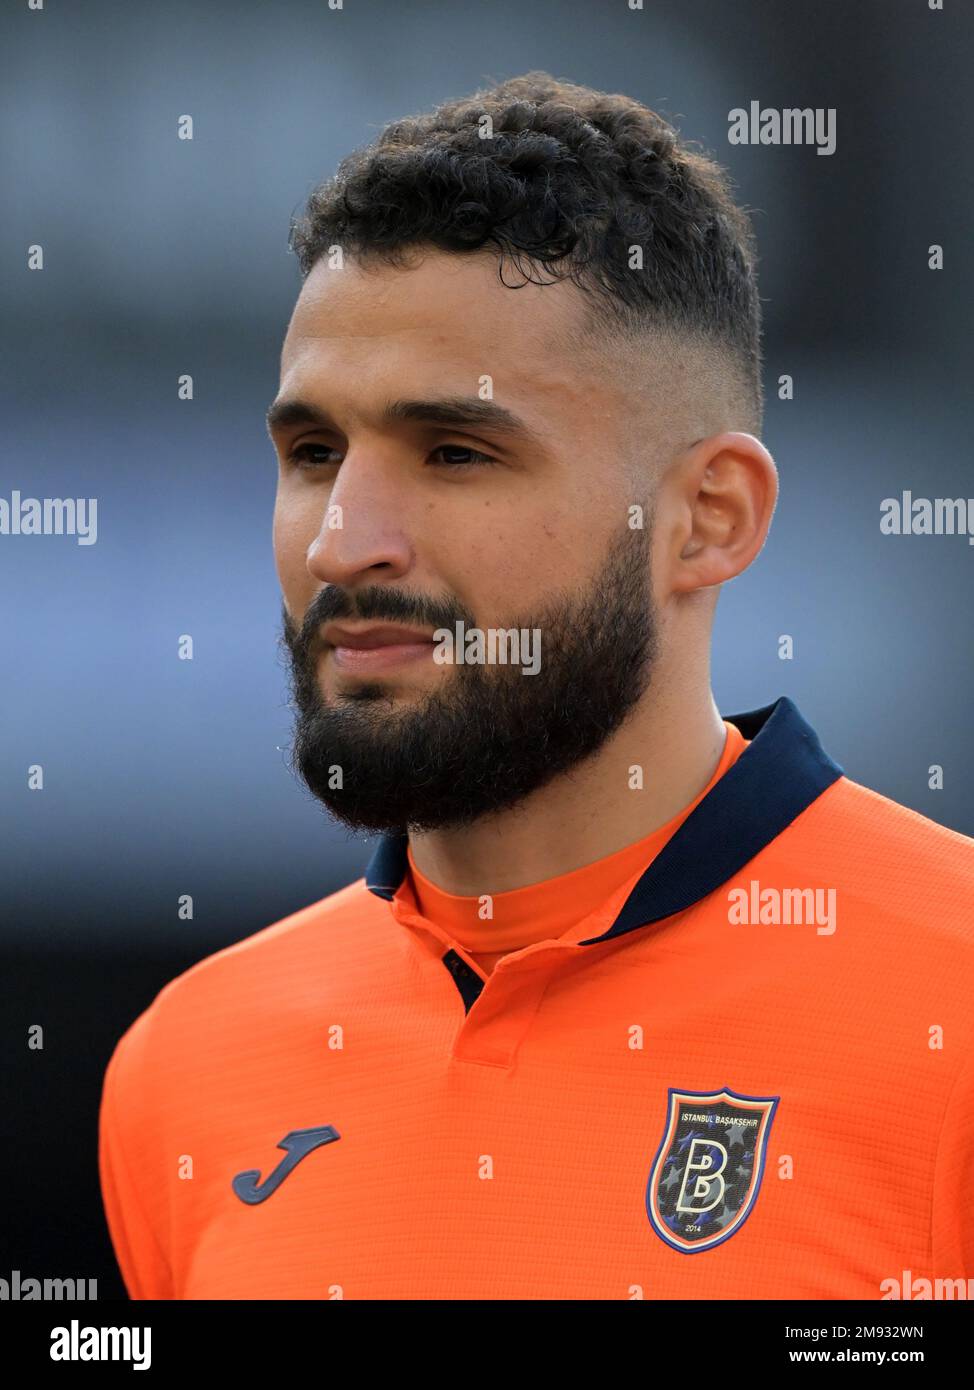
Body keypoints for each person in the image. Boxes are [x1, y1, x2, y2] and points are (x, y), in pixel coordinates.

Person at [99, 71, 974, 1300]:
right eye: (312, 454)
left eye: (455, 452)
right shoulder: (186, 1066)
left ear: (705, 518)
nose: (344, 542)